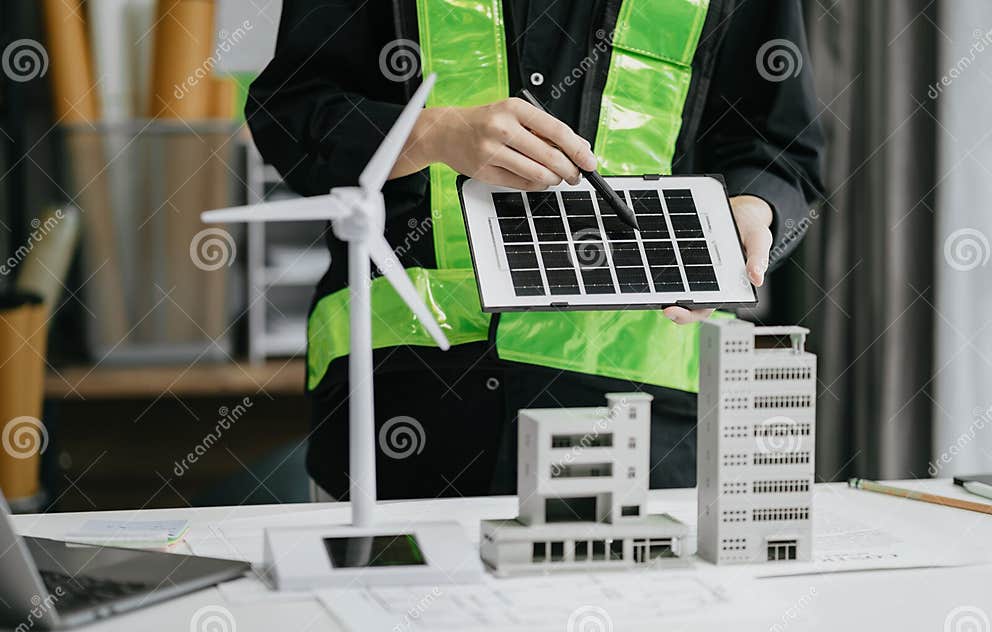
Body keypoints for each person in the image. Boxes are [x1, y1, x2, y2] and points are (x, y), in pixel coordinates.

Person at [247, 0, 825, 501]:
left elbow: (780, 151)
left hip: (650, 434)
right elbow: (290, 110)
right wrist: (431, 134)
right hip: (409, 419)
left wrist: (754, 210)